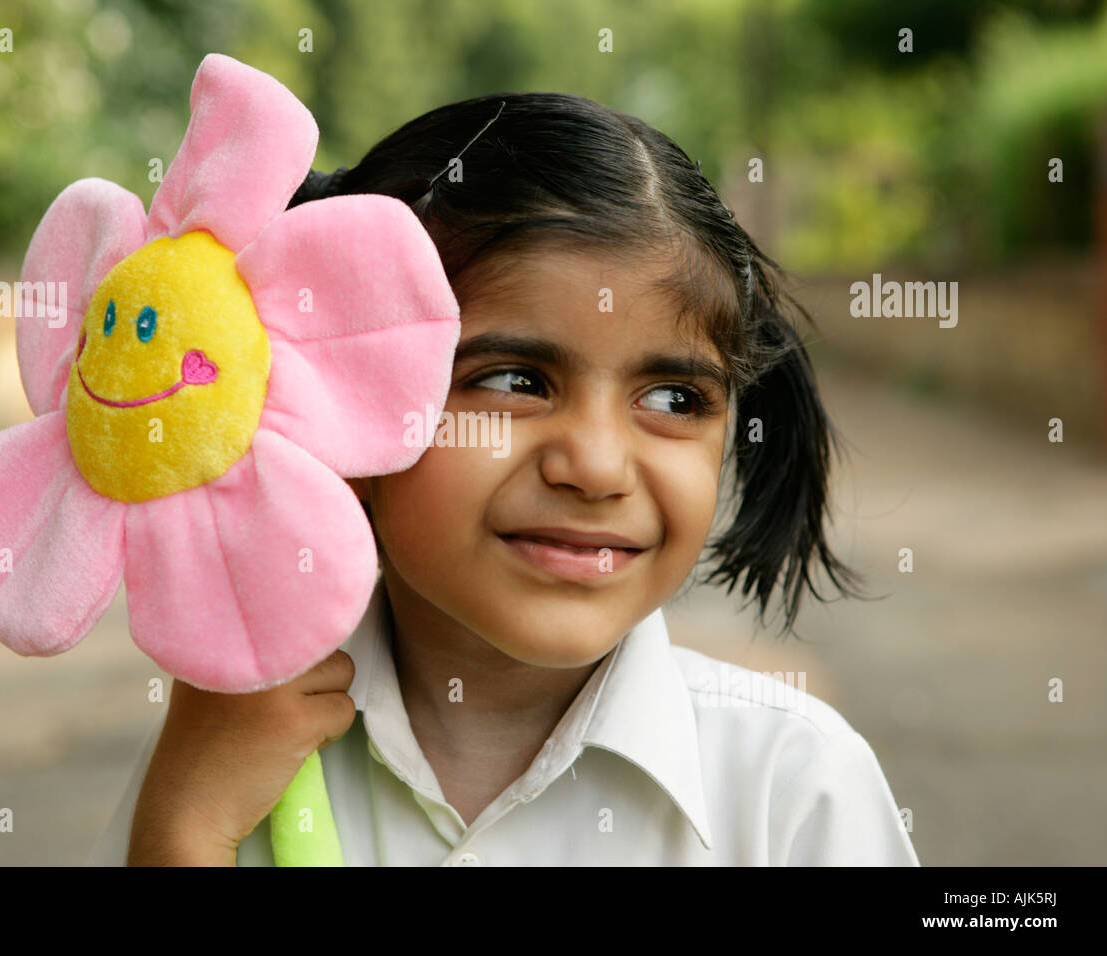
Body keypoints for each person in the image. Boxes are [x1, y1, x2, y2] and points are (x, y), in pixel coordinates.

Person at [88, 91, 919, 866]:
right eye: (515, 381)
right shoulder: (226, 769)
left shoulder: (794, 789)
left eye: (674, 398)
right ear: (333, 405)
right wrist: (182, 830)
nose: (595, 467)